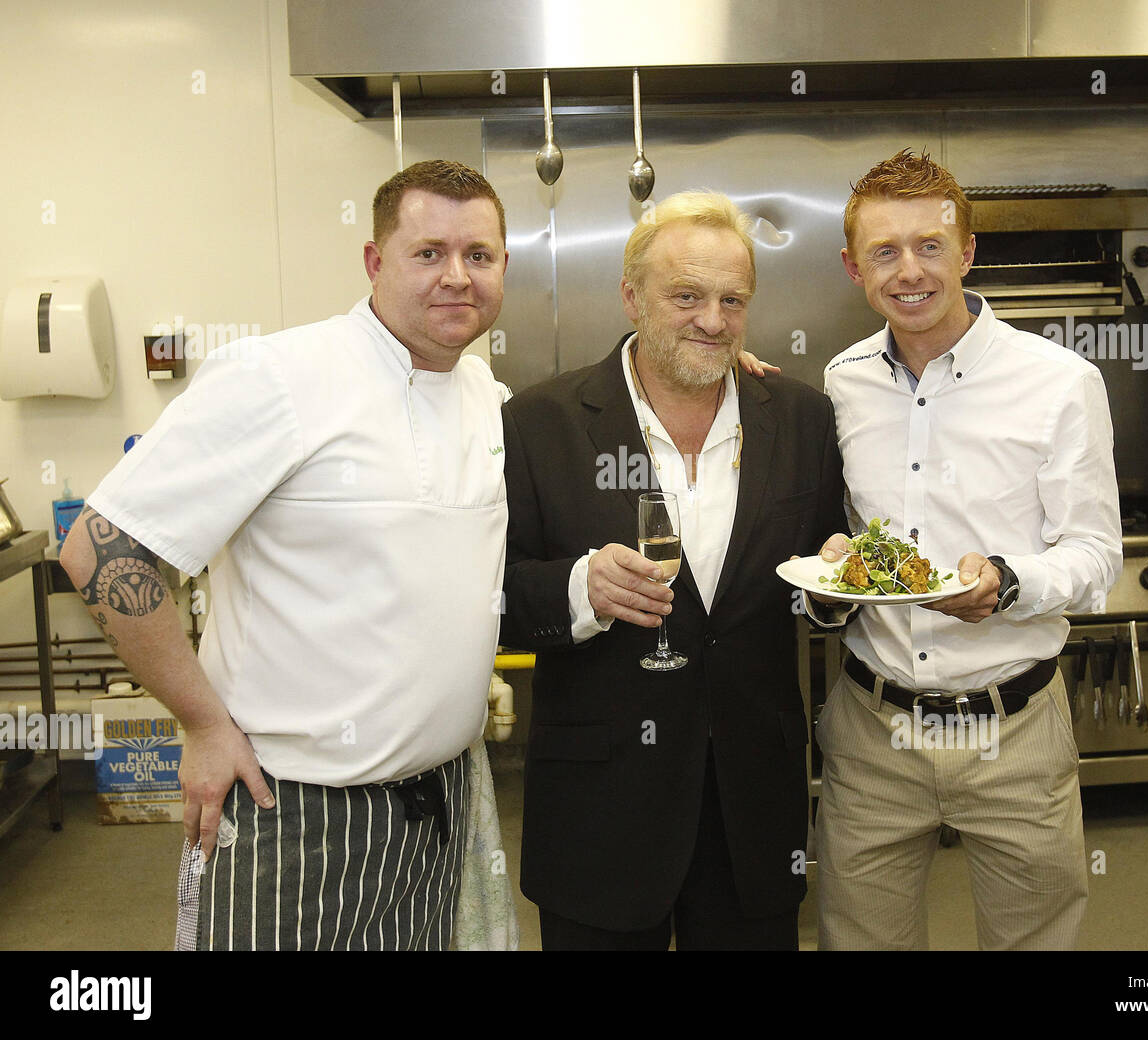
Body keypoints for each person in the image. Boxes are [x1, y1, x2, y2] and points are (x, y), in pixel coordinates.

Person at [60, 160, 513, 951]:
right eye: (428, 252)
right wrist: (200, 722)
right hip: (292, 814)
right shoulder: (280, 376)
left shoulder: (487, 397)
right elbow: (100, 546)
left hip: (437, 808)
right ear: (375, 262)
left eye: (479, 255)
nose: (457, 276)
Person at [499, 191, 844, 950]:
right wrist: (575, 590)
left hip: (752, 802)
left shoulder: (800, 417)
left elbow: (824, 579)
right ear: (631, 297)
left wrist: (832, 590)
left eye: (732, 300)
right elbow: (491, 597)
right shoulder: (537, 423)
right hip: (601, 807)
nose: (713, 321)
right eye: (686, 296)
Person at [810, 149, 1122, 950]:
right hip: (872, 733)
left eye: (930, 245)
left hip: (1012, 731)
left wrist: (1009, 583)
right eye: (884, 251)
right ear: (853, 267)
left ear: (968, 252)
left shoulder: (1059, 381)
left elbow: (1096, 555)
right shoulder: (841, 381)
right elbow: (833, 539)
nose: (908, 270)